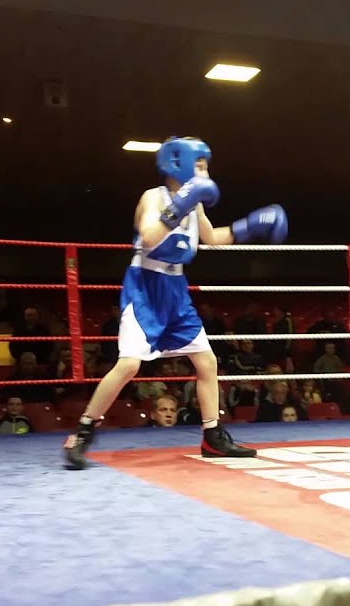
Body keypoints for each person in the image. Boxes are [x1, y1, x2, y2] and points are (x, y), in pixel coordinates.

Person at [64, 136, 288, 469]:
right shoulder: (153, 197)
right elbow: (150, 237)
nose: (206, 172)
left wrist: (250, 227)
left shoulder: (195, 206)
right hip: (145, 287)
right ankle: (83, 431)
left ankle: (213, 436)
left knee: (207, 362)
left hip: (176, 289)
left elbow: (211, 238)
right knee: (128, 365)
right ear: (176, 164)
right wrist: (181, 203)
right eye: (200, 165)